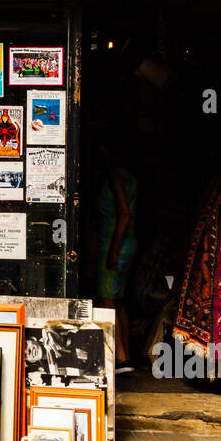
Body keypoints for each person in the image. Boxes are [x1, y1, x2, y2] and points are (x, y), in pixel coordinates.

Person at [94, 139, 138, 371]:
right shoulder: (128, 175)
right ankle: (126, 354)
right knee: (118, 302)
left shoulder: (116, 177)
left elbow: (124, 213)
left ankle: (120, 359)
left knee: (107, 301)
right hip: (126, 244)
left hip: (115, 245)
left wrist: (113, 250)